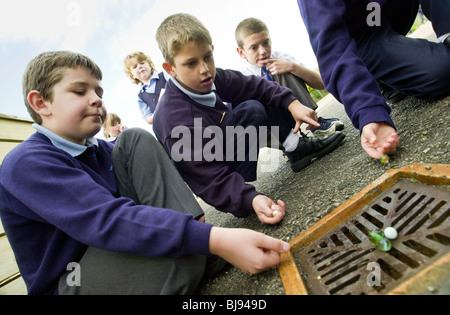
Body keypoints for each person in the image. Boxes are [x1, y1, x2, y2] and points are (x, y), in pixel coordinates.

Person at [0, 50, 291, 295]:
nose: (97, 99)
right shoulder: (26, 163)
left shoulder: (101, 150)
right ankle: (197, 254)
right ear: (41, 103)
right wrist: (216, 239)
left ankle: (199, 254)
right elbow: (108, 220)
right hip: (74, 279)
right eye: (79, 91)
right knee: (179, 256)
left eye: (98, 92)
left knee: (135, 138)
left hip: (115, 252)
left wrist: (202, 235)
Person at [152, 13, 345, 226]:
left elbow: (254, 85)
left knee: (252, 101)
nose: (204, 69)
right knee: (250, 110)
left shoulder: (212, 76)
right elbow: (206, 178)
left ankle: (297, 147)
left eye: (207, 56)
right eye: (190, 63)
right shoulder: (175, 120)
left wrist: (292, 103)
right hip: (210, 169)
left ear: (212, 50)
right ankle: (237, 193)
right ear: (171, 69)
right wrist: (248, 198)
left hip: (220, 146)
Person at [297, 0, 450, 160]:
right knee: (441, 70)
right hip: (366, 36)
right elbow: (332, 47)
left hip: (389, 13)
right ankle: (378, 76)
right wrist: (368, 110)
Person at [235, 17, 345, 139]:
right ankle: (288, 143)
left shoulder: (278, 56)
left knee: (282, 68)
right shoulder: (242, 75)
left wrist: (292, 67)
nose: (263, 51)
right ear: (241, 52)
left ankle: (315, 124)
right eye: (254, 47)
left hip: (294, 107)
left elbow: (321, 84)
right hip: (270, 124)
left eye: (266, 42)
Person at [124, 52, 169, 125]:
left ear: (150, 65)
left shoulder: (165, 75)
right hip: (168, 127)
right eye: (135, 67)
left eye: (142, 63)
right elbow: (148, 118)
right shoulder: (141, 97)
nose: (139, 67)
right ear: (132, 75)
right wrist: (157, 112)